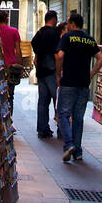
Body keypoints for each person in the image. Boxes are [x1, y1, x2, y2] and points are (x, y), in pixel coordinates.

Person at [55, 12, 102, 164]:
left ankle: (69, 144)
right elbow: (101, 58)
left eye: (68, 23)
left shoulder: (67, 37)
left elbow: (60, 55)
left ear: (72, 23)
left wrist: (58, 73)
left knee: (62, 114)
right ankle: (78, 151)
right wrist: (91, 74)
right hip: (83, 83)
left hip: (69, 82)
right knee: (78, 118)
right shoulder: (89, 39)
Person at [31, 9, 60, 138]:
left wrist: (39, 55)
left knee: (43, 101)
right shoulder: (54, 33)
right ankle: (61, 128)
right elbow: (57, 53)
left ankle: (42, 128)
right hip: (51, 70)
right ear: (53, 19)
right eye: (56, 19)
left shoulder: (40, 32)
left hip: (41, 71)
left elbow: (33, 43)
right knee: (58, 100)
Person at [0, 9, 24, 116]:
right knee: (10, 95)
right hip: (11, 67)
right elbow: (18, 51)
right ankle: (9, 120)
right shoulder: (14, 31)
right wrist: (20, 66)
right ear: (7, 19)